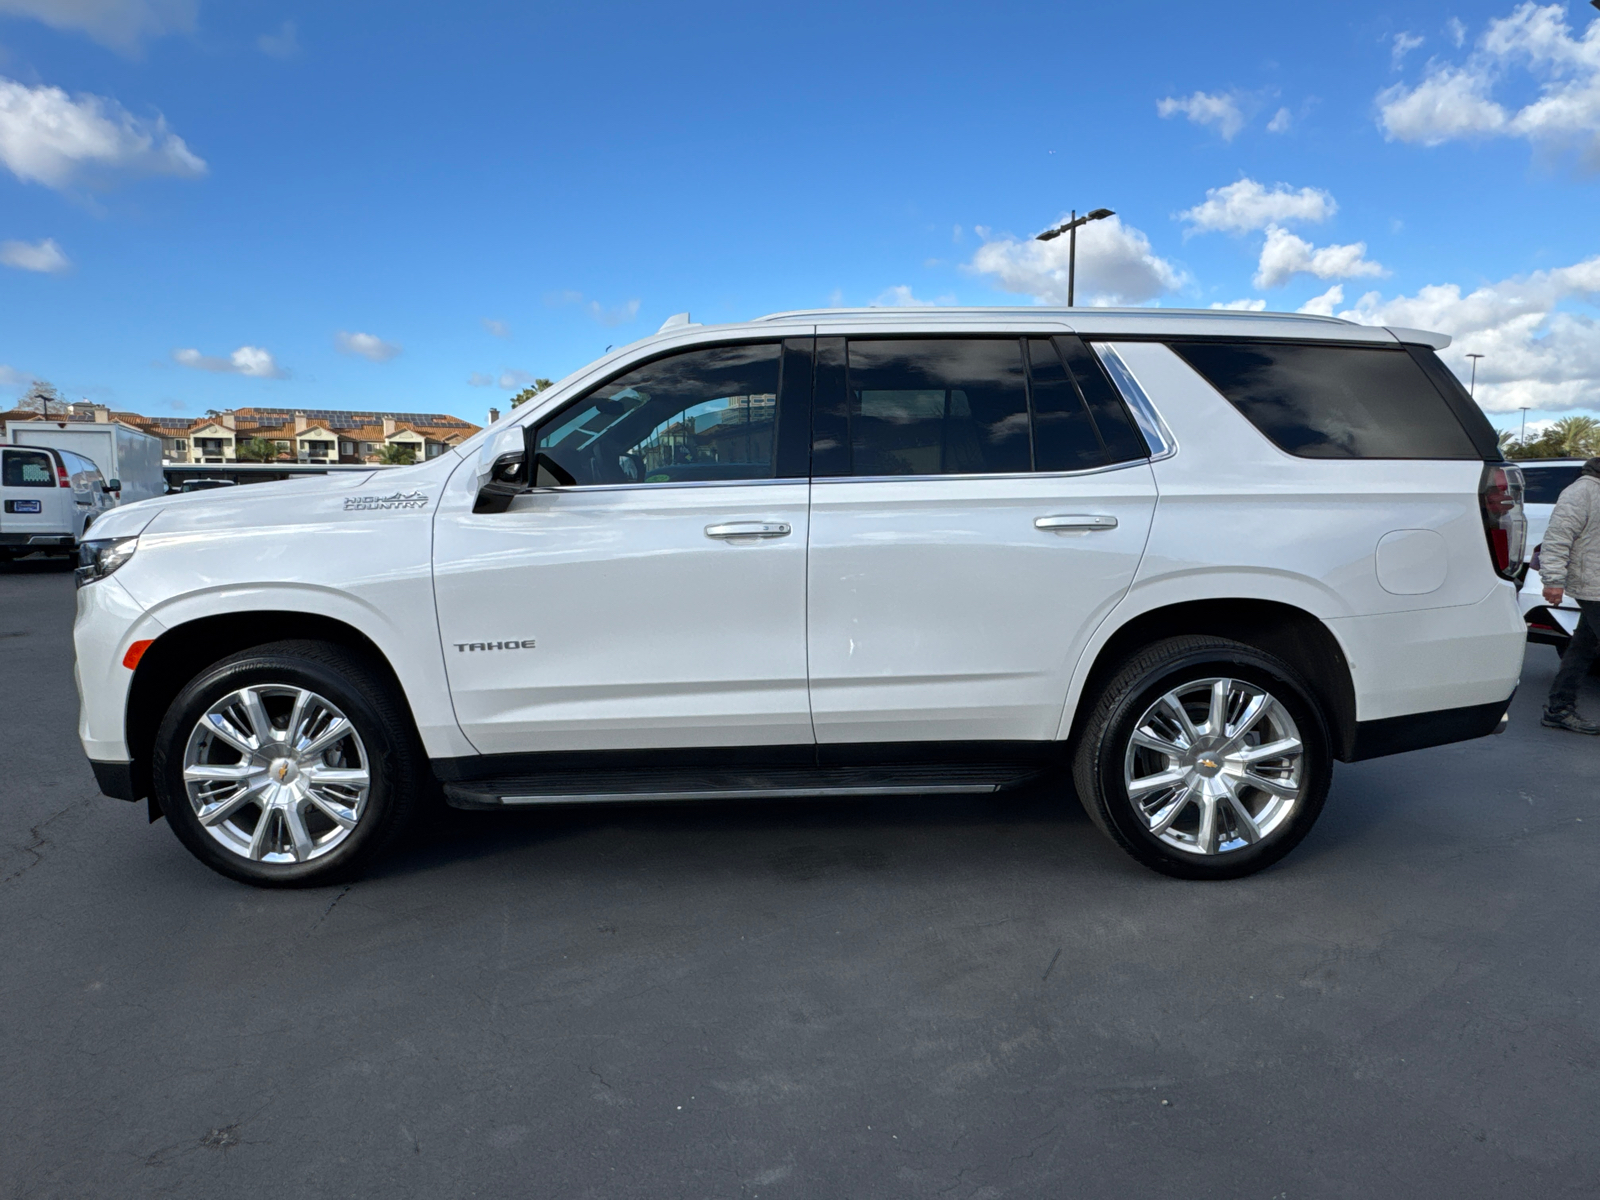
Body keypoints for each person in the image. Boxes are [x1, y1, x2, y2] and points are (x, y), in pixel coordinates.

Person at [1540, 456, 1600, 733]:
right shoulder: (1582, 490)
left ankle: (1559, 709)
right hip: (1592, 584)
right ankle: (1559, 709)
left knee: (1583, 647)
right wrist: (1553, 580)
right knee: (1585, 647)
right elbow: (1557, 537)